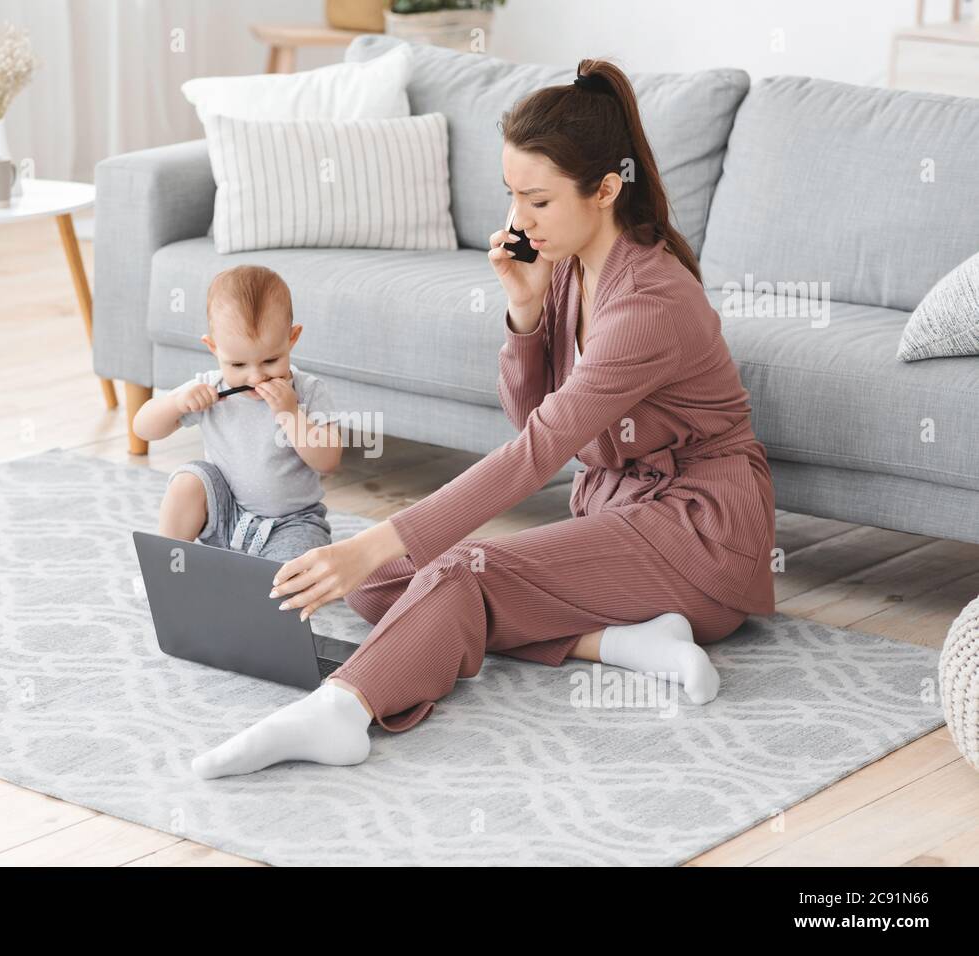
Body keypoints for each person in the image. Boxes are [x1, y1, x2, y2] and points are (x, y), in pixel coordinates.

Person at [192, 59, 776, 781]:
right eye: (511, 197)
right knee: (382, 584)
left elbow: (535, 452)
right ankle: (617, 641)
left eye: (536, 201)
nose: (516, 222)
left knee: (452, 569)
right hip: (621, 511)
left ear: (604, 190)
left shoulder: (649, 304)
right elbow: (534, 416)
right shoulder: (567, 266)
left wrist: (369, 541)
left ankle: (344, 709)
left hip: (699, 536)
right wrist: (527, 313)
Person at [133, 265, 342, 564]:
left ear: (292, 338)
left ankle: (255, 585)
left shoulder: (307, 392)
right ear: (213, 348)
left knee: (291, 582)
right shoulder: (209, 388)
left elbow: (328, 461)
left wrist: (290, 414)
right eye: (238, 365)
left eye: (271, 360)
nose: (255, 377)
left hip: (291, 524)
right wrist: (176, 403)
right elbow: (143, 428)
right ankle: (168, 566)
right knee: (189, 479)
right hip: (225, 517)